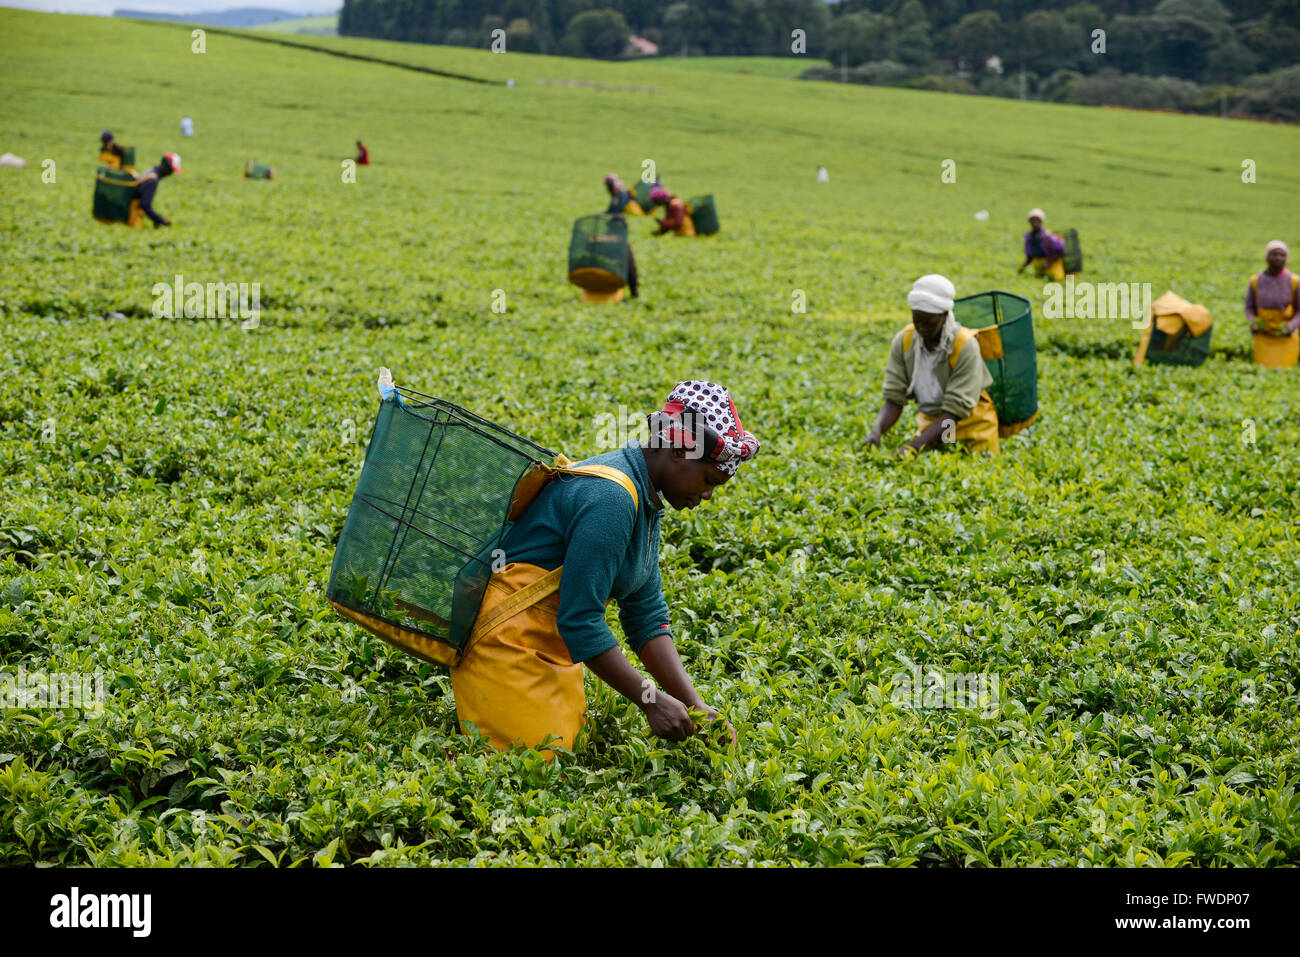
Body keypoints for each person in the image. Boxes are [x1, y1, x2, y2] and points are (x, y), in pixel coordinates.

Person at [450, 380, 760, 758]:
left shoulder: (643, 494)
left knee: (571, 745)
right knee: (541, 760)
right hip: (503, 639)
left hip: (543, 646)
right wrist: (650, 700)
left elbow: (646, 616)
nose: (709, 494)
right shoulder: (612, 498)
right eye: (709, 480)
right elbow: (580, 620)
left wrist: (698, 708)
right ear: (679, 450)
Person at [862, 274, 1000, 455]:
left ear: (944, 316)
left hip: (973, 428)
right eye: (917, 320)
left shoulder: (964, 345)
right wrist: (877, 430)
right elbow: (894, 397)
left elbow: (955, 411)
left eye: (929, 322)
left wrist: (915, 445)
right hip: (932, 428)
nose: (922, 328)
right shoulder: (905, 341)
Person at [1246, 240, 1300, 367]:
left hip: (1286, 337)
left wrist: (1291, 327)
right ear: (1266, 257)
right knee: (1261, 369)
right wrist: (1254, 322)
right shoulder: (1255, 281)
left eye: (1282, 255)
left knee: (1285, 370)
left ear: (1287, 259)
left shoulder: (1295, 282)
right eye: (1274, 254)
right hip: (1263, 336)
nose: (1278, 258)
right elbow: (1249, 307)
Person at [1018, 208, 1066, 281]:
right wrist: (1022, 268)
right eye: (1033, 219)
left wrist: (1048, 262)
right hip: (1038, 268)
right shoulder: (1029, 237)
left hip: (1053, 269)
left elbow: (1062, 252)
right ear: (1029, 221)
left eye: (1037, 219)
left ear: (1041, 221)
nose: (1035, 221)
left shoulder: (1047, 236)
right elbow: (1030, 257)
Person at [135, 153, 181, 228]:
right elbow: (145, 205)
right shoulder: (153, 180)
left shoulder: (152, 170)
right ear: (165, 166)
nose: (171, 174)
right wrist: (161, 220)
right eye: (171, 170)